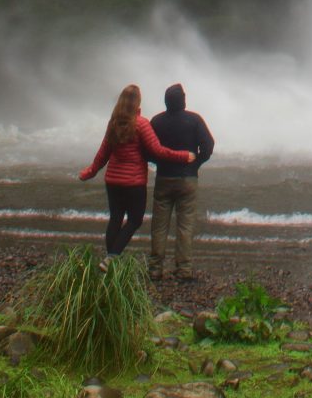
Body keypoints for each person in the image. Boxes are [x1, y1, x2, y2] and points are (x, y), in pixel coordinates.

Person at [79, 83, 195, 258]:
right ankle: (112, 257)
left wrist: (90, 172)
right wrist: (184, 156)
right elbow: (158, 151)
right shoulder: (141, 124)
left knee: (115, 219)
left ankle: (110, 261)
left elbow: (103, 153)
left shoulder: (114, 123)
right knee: (134, 220)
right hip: (134, 183)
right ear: (137, 102)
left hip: (113, 181)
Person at [148, 82, 215, 283]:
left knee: (159, 225)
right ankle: (183, 269)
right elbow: (208, 144)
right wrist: (197, 163)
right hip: (187, 178)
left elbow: (147, 149)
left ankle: (155, 268)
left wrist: (158, 161)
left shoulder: (157, 122)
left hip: (164, 177)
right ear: (183, 101)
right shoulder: (194, 120)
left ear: (166, 102)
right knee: (185, 225)